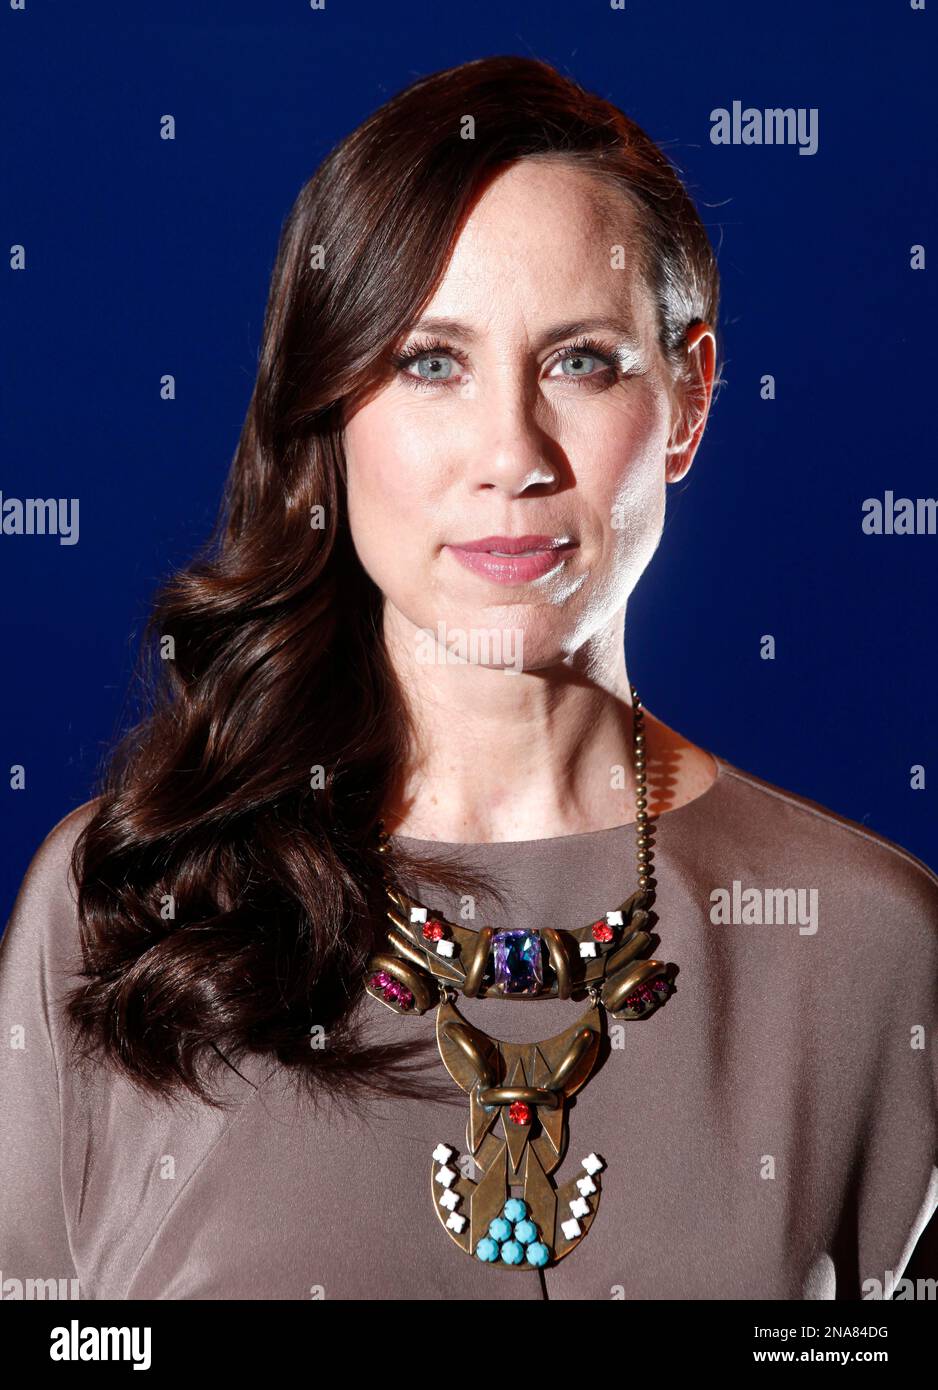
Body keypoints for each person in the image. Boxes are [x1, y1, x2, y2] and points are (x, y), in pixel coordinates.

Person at [1, 55, 936, 1301]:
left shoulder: (873, 942)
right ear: (330, 407)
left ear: (687, 399)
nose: (509, 452)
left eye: (580, 361)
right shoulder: (118, 902)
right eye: (429, 362)